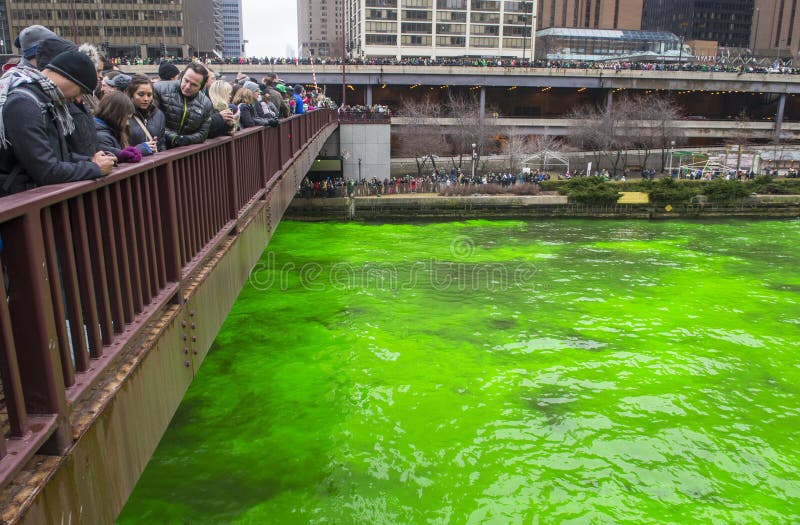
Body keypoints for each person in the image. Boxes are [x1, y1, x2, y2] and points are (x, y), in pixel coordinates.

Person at [0, 50, 115, 195]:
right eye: (80, 91)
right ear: (69, 77)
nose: (78, 99)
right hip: (19, 200)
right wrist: (94, 167)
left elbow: (58, 156)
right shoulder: (23, 104)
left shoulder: (41, 101)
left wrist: (91, 159)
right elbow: (46, 171)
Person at [153, 63, 213, 148]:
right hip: (160, 150)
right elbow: (154, 124)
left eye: (194, 85)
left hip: (186, 154)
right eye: (186, 80)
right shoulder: (159, 89)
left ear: (201, 87)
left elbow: (203, 133)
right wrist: (174, 138)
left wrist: (187, 139)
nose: (188, 86)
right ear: (182, 76)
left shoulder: (206, 103)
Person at [93, 91, 142, 163]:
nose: (128, 123)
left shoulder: (110, 130)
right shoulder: (102, 136)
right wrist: (140, 150)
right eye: (127, 119)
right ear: (116, 115)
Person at [126, 74, 165, 155]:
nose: (146, 99)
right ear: (131, 94)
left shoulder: (159, 115)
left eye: (149, 95)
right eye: (141, 94)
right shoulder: (124, 114)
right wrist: (139, 150)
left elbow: (162, 144)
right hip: (133, 164)